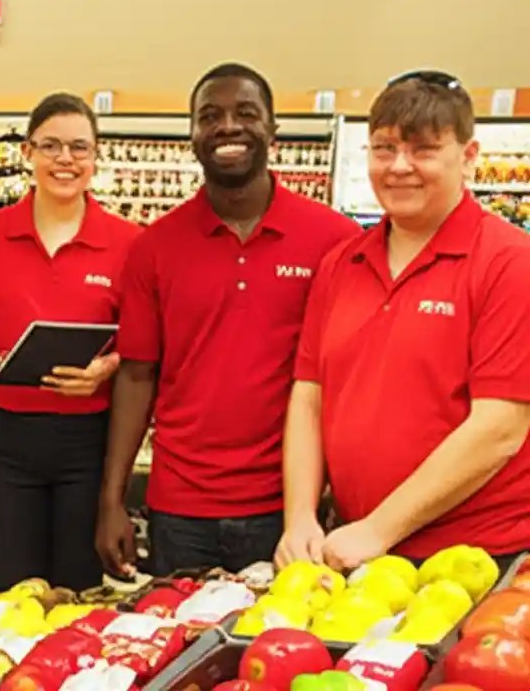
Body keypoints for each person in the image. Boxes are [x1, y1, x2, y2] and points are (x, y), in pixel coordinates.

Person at [96, 63, 362, 578]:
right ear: (192, 136)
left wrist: (338, 492)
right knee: (183, 651)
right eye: (209, 116)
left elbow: (349, 374)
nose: (227, 126)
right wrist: (112, 500)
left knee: (287, 651)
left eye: (246, 113)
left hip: (289, 510)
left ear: (273, 131)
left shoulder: (335, 240)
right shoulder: (154, 248)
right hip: (180, 506)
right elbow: (136, 375)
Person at [275, 70, 530, 572]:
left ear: (469, 156)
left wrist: (379, 528)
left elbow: (501, 425)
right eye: (384, 148)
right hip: (354, 547)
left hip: (476, 556)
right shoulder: (341, 263)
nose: (399, 167)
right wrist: (300, 515)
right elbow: (310, 395)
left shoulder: (509, 262)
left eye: (424, 149)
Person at [0, 92, 138, 592]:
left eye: (79, 147)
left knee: (77, 588)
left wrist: (105, 369)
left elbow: (138, 343)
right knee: (15, 589)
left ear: (97, 156)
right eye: (50, 145)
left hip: (88, 440)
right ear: (28, 152)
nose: (65, 160)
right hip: (5, 437)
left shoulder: (127, 242)